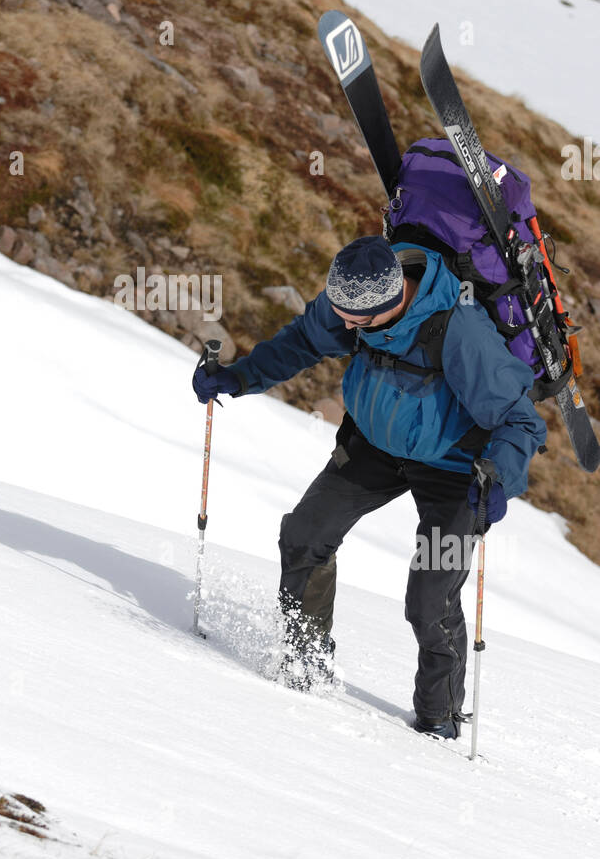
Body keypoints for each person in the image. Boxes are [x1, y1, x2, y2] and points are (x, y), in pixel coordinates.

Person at [192, 235, 546, 739]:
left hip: (457, 469)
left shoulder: (458, 327)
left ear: (394, 299)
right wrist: (238, 377)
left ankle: (438, 721)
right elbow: (300, 342)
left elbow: (521, 421)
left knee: (429, 598)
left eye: (358, 321)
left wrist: (499, 478)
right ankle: (304, 665)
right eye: (342, 315)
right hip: (375, 446)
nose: (346, 327)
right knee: (304, 536)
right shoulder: (352, 298)